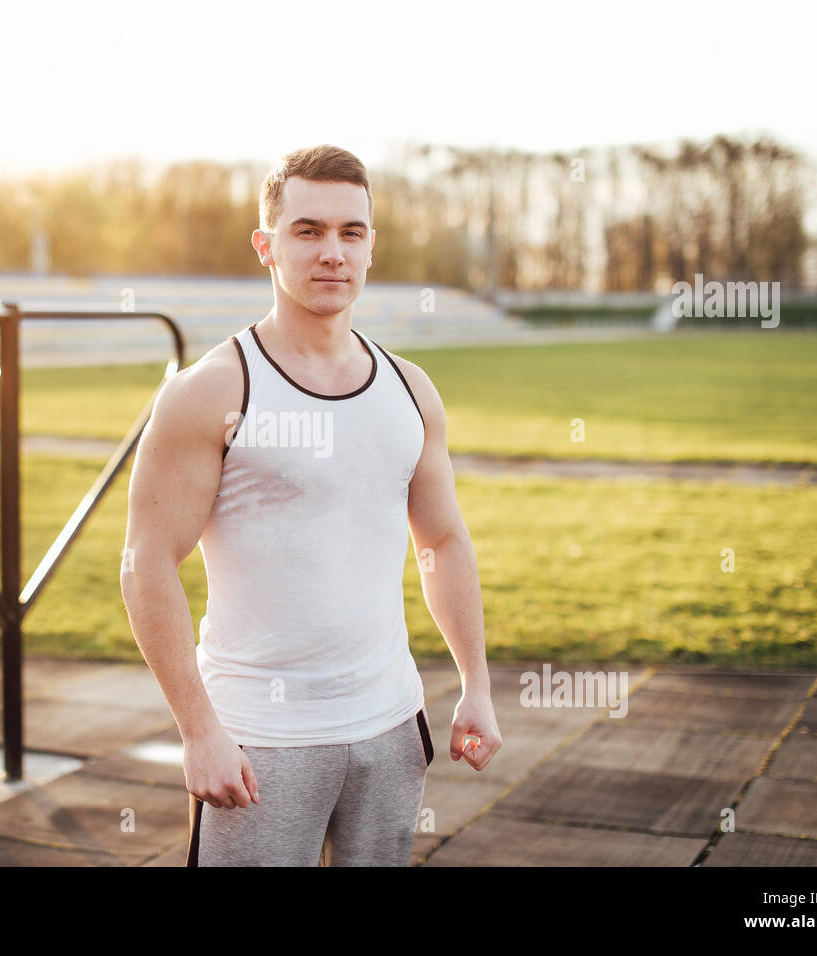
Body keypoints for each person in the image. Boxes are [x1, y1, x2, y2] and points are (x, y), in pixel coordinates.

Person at [120, 144, 500, 867]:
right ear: (266, 245)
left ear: (371, 246)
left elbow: (444, 542)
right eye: (308, 231)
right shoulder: (213, 390)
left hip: (391, 727)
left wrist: (475, 685)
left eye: (351, 232)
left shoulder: (410, 389)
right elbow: (146, 563)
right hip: (259, 741)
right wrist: (199, 731)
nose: (333, 252)